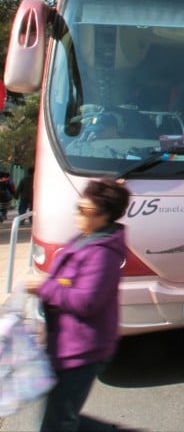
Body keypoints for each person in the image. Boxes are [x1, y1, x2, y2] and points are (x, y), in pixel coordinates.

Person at [26, 178, 131, 432]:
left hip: (83, 350)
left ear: (103, 215)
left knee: (58, 420)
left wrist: (44, 287)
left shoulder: (103, 253)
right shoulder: (85, 238)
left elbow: (87, 302)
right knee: (61, 414)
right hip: (64, 344)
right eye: (78, 207)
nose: (77, 214)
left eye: (84, 210)